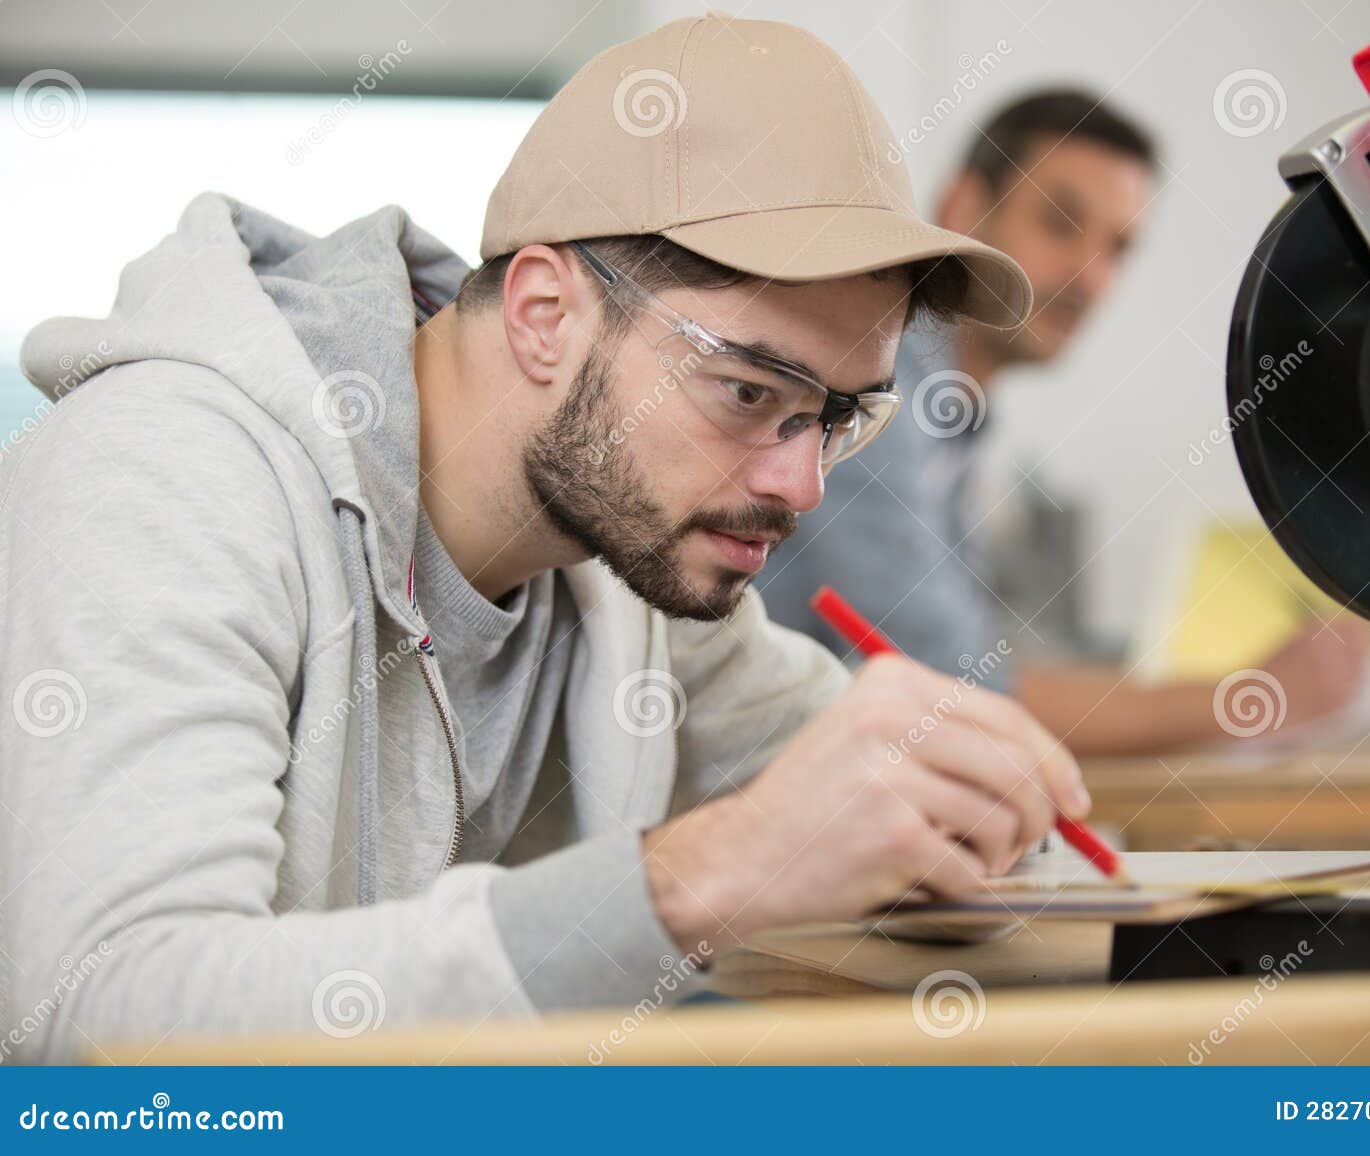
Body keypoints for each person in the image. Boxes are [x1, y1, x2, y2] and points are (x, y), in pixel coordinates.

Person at [0, 15, 1089, 1060]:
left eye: (838, 417)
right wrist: (691, 876)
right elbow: (101, 1027)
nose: (800, 485)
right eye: (751, 391)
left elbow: (917, 806)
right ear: (544, 315)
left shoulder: (625, 564)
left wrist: (994, 811)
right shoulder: (162, 479)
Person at [756, 91, 1370, 756]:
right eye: (1059, 222)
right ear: (962, 207)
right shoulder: (872, 385)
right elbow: (955, 686)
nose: (1089, 277)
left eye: (1117, 247)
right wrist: (1253, 695)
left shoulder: (952, 411)